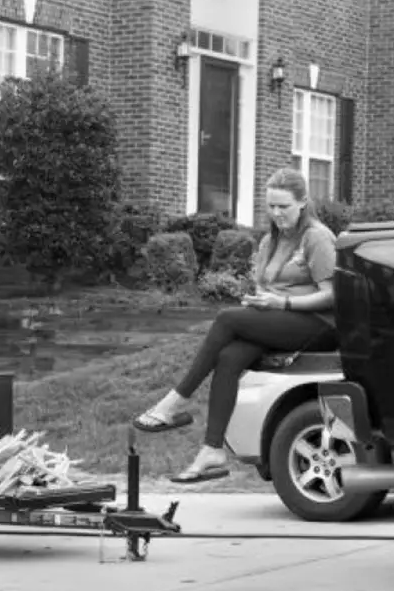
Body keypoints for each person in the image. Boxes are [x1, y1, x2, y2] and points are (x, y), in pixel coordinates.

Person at [132, 167, 339, 484]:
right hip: (280, 319)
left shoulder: (317, 237)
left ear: (303, 203)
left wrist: (281, 303)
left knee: (226, 318)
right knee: (229, 357)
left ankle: (176, 401)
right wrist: (260, 302)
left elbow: (332, 296)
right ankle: (212, 451)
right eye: (271, 206)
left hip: (320, 325)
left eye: (283, 206)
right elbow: (268, 287)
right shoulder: (270, 241)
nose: (276, 212)